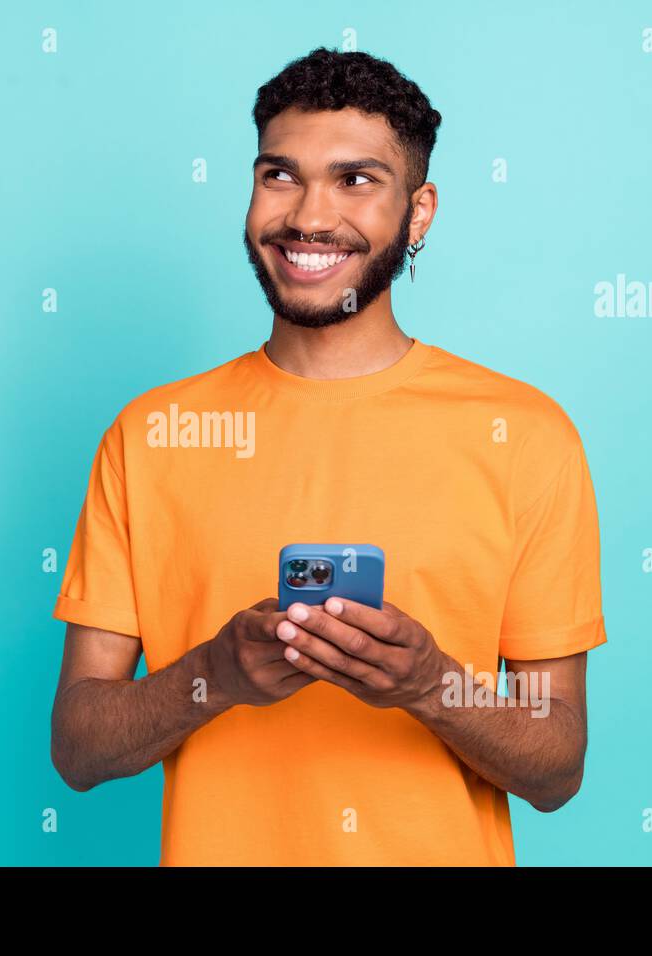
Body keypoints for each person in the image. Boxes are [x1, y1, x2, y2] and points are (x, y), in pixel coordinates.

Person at [49, 47, 607, 866]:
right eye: (280, 176)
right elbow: (78, 750)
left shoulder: (524, 434)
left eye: (356, 180)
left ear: (418, 215)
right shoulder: (149, 433)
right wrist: (215, 674)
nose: (308, 216)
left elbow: (557, 767)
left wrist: (429, 686)